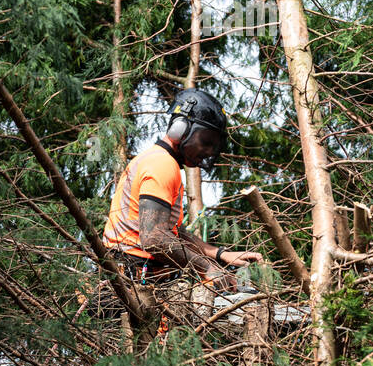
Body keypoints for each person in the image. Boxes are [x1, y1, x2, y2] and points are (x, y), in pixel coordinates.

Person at [103, 88, 264, 327]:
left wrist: (219, 255)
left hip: (136, 282)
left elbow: (172, 233)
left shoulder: (158, 161)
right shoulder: (161, 165)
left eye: (213, 145)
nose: (209, 151)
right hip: (132, 288)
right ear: (180, 128)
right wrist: (208, 268)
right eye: (205, 142)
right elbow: (155, 239)